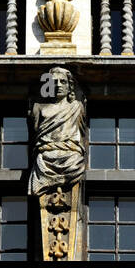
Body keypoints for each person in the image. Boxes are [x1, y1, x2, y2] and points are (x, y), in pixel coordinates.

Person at [28, 66, 86, 196]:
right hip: (44, 158)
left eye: (63, 81)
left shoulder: (77, 107)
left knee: (76, 164)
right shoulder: (39, 108)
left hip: (72, 158)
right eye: (54, 82)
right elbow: (36, 129)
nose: (58, 85)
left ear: (70, 86)